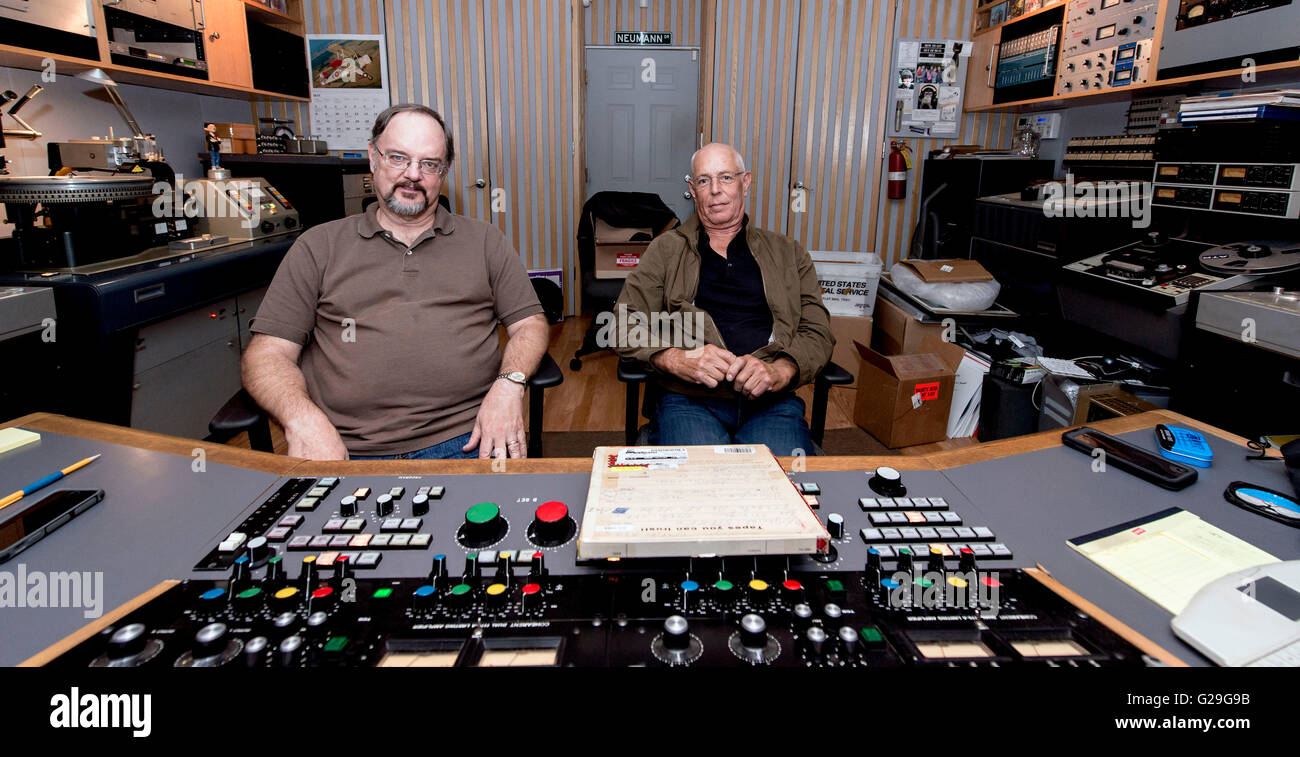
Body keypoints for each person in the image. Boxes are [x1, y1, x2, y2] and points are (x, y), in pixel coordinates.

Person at [242, 104, 549, 461]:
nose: (412, 175)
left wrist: (508, 386)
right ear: (373, 159)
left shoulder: (485, 242)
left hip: (470, 437)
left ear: (444, 172)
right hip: (345, 446)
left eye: (429, 164)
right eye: (398, 158)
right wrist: (303, 420)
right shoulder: (318, 246)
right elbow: (266, 354)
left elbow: (530, 324)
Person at [612, 142, 833, 455]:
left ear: (745, 182)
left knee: (781, 489)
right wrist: (675, 358)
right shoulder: (665, 251)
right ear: (693, 189)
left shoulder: (789, 254)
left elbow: (818, 331)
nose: (715, 190)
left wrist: (781, 370)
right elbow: (622, 323)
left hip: (771, 402)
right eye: (704, 180)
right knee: (702, 488)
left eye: (726, 178)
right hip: (688, 401)